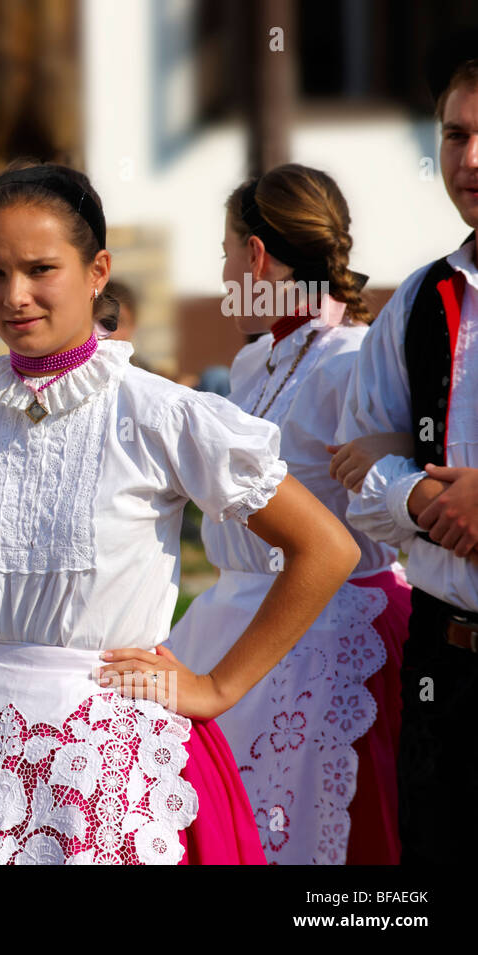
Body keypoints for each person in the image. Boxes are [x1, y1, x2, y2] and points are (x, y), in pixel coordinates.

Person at [0, 160, 361, 865]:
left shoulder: (162, 414)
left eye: (40, 268)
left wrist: (216, 685)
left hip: (114, 765)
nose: (13, 295)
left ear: (98, 270)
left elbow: (327, 548)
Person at [167, 163, 412, 864]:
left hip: (327, 627)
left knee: (328, 843)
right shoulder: (255, 364)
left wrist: (396, 442)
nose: (220, 276)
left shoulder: (351, 358)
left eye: (223, 253)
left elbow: (436, 439)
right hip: (232, 614)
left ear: (254, 256)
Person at [331, 35, 478, 865]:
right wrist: (426, 501)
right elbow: (363, 472)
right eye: (455, 135)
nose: (470, 156)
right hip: (445, 664)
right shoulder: (420, 302)